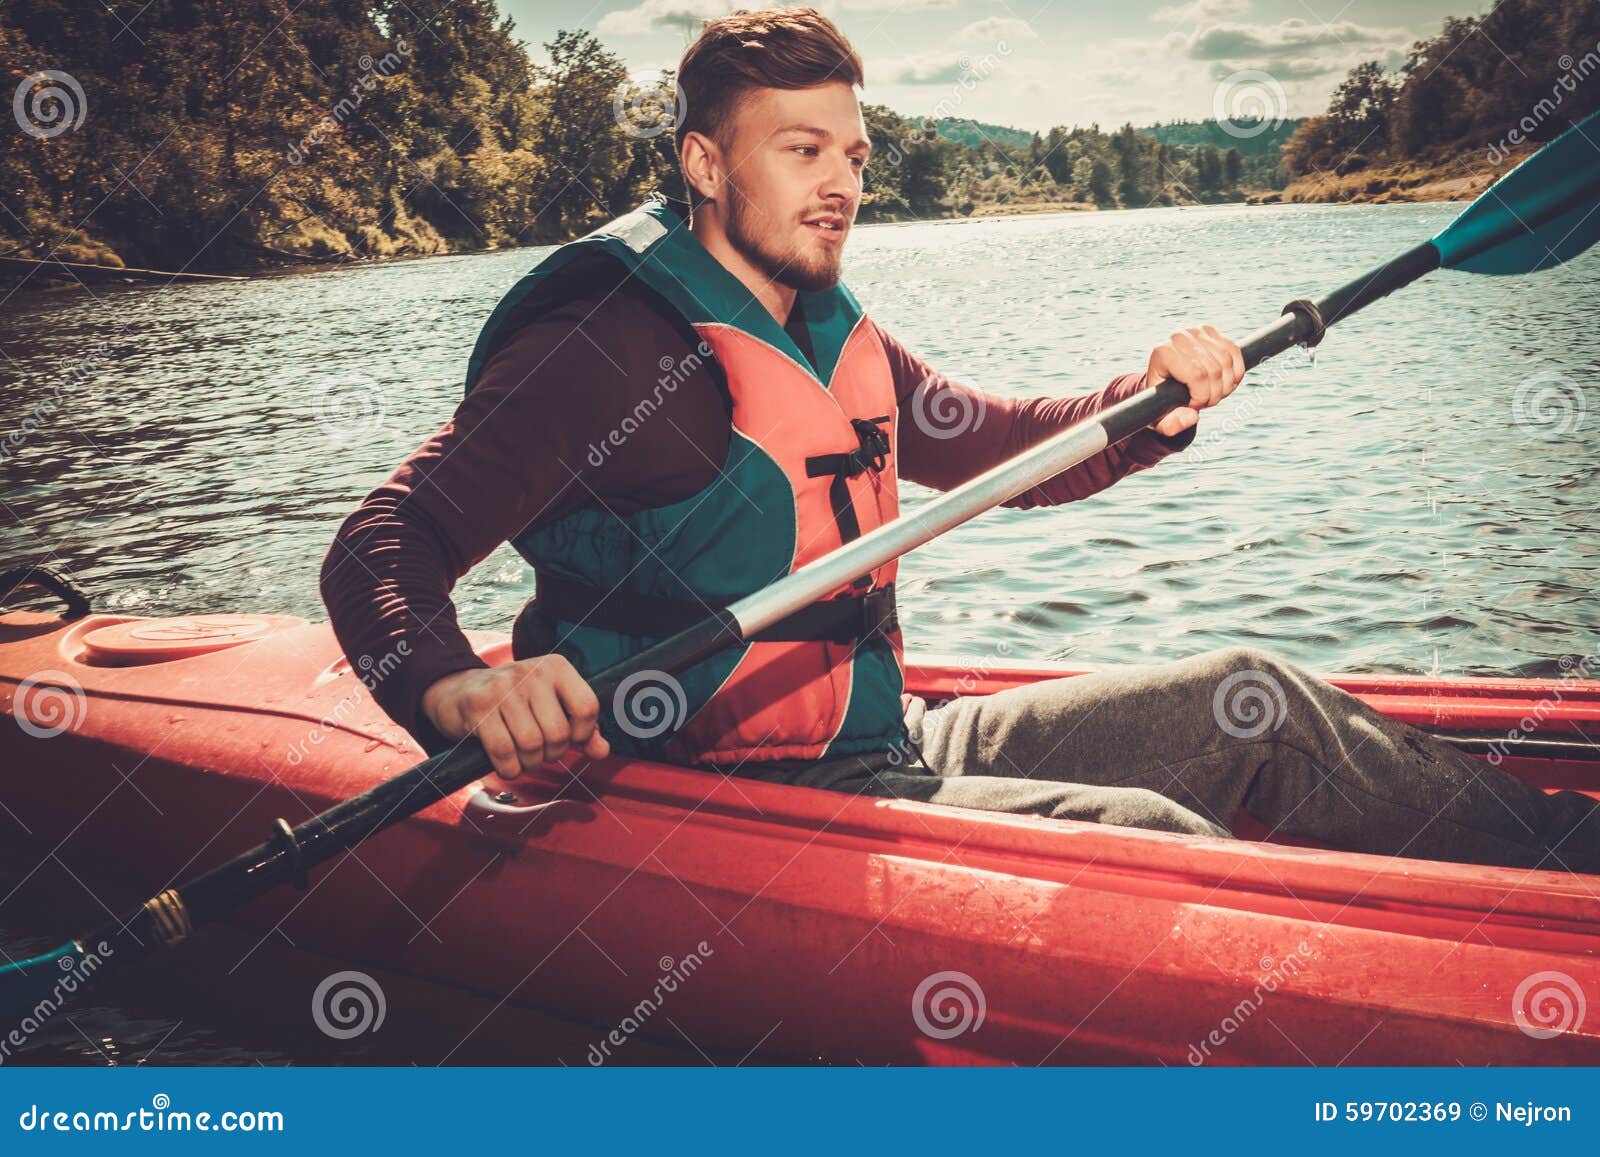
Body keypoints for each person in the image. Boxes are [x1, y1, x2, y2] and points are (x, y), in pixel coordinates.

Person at [321, 7, 1598, 874]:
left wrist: (1151, 399)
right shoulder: (604, 343)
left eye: (856, 155)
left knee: (1247, 695)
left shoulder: (829, 327)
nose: (840, 182)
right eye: (801, 149)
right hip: (729, 792)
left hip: (888, 741)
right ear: (706, 166)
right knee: (1154, 832)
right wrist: (461, 686)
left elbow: (1004, 444)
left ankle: (1566, 867)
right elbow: (388, 538)